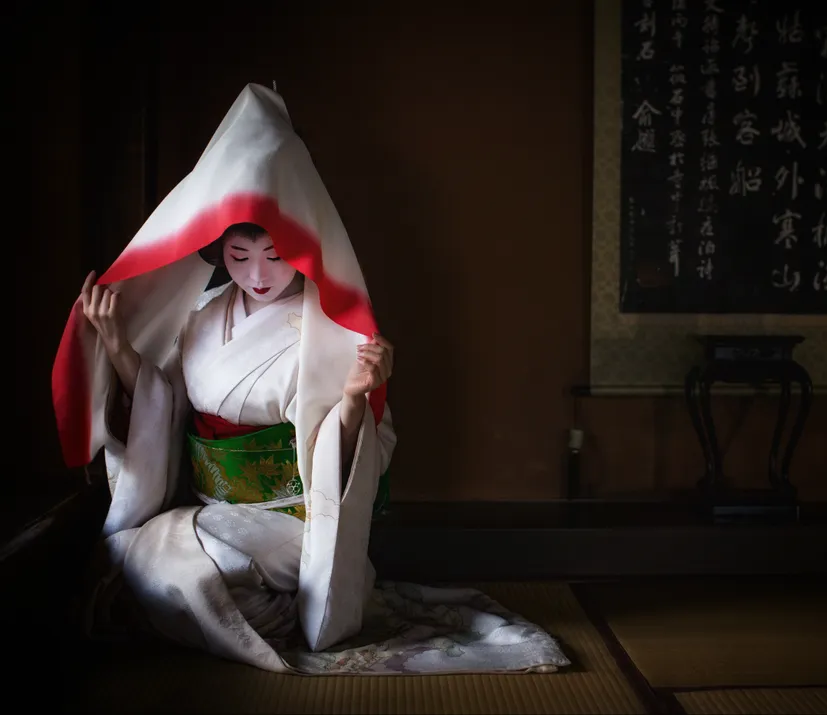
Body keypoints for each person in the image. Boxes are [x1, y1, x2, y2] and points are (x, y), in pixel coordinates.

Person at [53, 83, 568, 675]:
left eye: (275, 254)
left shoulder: (330, 330)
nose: (258, 273)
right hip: (205, 512)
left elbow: (337, 451)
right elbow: (162, 403)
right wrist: (116, 341)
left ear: (301, 245)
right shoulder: (201, 320)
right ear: (220, 252)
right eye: (240, 256)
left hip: (289, 524)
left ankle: (250, 609)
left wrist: (356, 398)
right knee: (149, 556)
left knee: (184, 567)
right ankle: (245, 612)